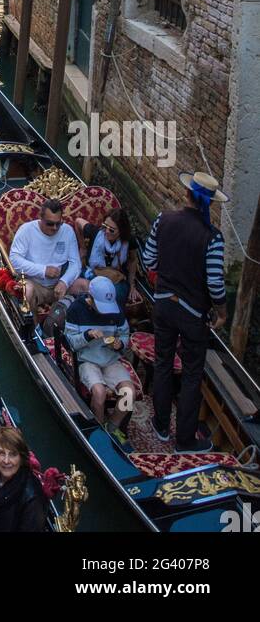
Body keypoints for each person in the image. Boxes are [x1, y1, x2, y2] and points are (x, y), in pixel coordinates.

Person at [143, 171, 229, 451]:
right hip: (194, 316)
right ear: (210, 203)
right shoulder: (212, 238)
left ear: (187, 194)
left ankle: (160, 425)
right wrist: (223, 313)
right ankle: (184, 440)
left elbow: (148, 261)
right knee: (192, 373)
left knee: (164, 362)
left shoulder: (162, 220)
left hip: (164, 306)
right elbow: (215, 284)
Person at [64, 277, 133, 431]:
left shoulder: (116, 310)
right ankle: (99, 428)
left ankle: (113, 427)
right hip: (87, 359)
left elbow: (124, 334)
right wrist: (87, 335)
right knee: (99, 392)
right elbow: (69, 343)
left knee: (129, 392)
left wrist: (120, 343)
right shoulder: (76, 310)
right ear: (91, 298)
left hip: (110, 359)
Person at [9, 199, 81, 325]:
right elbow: (14, 260)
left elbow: (76, 263)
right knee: (27, 290)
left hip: (59, 284)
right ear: (40, 218)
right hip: (35, 283)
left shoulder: (67, 231)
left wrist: (64, 282)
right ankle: (35, 331)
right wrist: (43, 270)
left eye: (58, 224)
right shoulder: (26, 230)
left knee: (84, 285)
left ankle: (75, 328)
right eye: (50, 224)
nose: (54, 228)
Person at [74, 209, 139, 308]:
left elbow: (133, 260)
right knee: (91, 294)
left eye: (112, 230)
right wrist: (82, 247)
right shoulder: (95, 232)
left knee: (116, 296)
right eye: (105, 226)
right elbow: (78, 221)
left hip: (115, 278)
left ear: (121, 231)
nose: (106, 231)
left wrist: (132, 285)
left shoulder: (129, 240)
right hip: (93, 274)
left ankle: (112, 321)